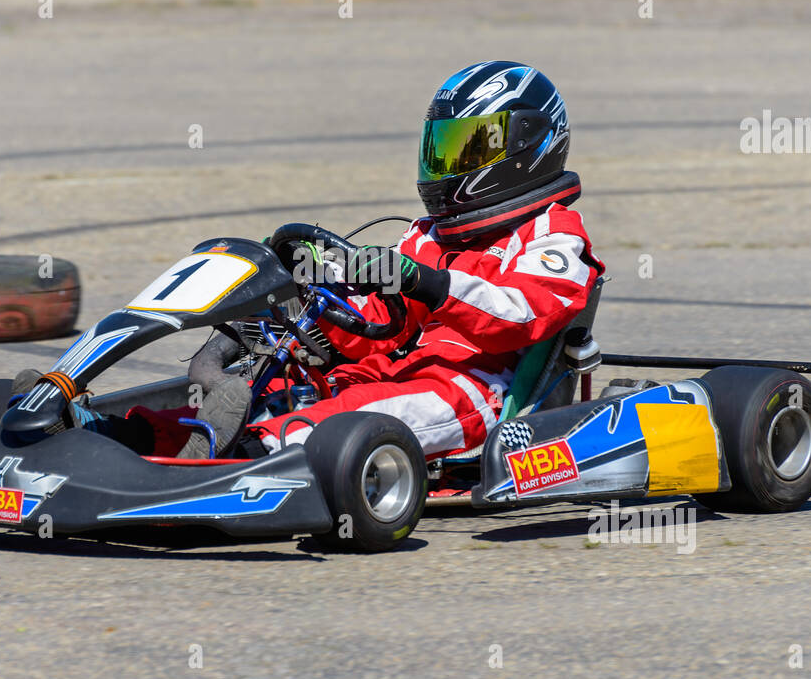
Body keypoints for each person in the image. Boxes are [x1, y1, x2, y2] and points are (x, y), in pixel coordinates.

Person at [172, 60, 605, 459]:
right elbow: (379, 325)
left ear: (525, 146)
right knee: (274, 388)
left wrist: (430, 285)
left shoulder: (553, 235)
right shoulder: (431, 235)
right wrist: (310, 284)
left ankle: (238, 460)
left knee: (340, 418)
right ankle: (137, 438)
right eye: (443, 149)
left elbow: (524, 315)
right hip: (398, 370)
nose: (449, 163)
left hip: (471, 390)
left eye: (467, 149)